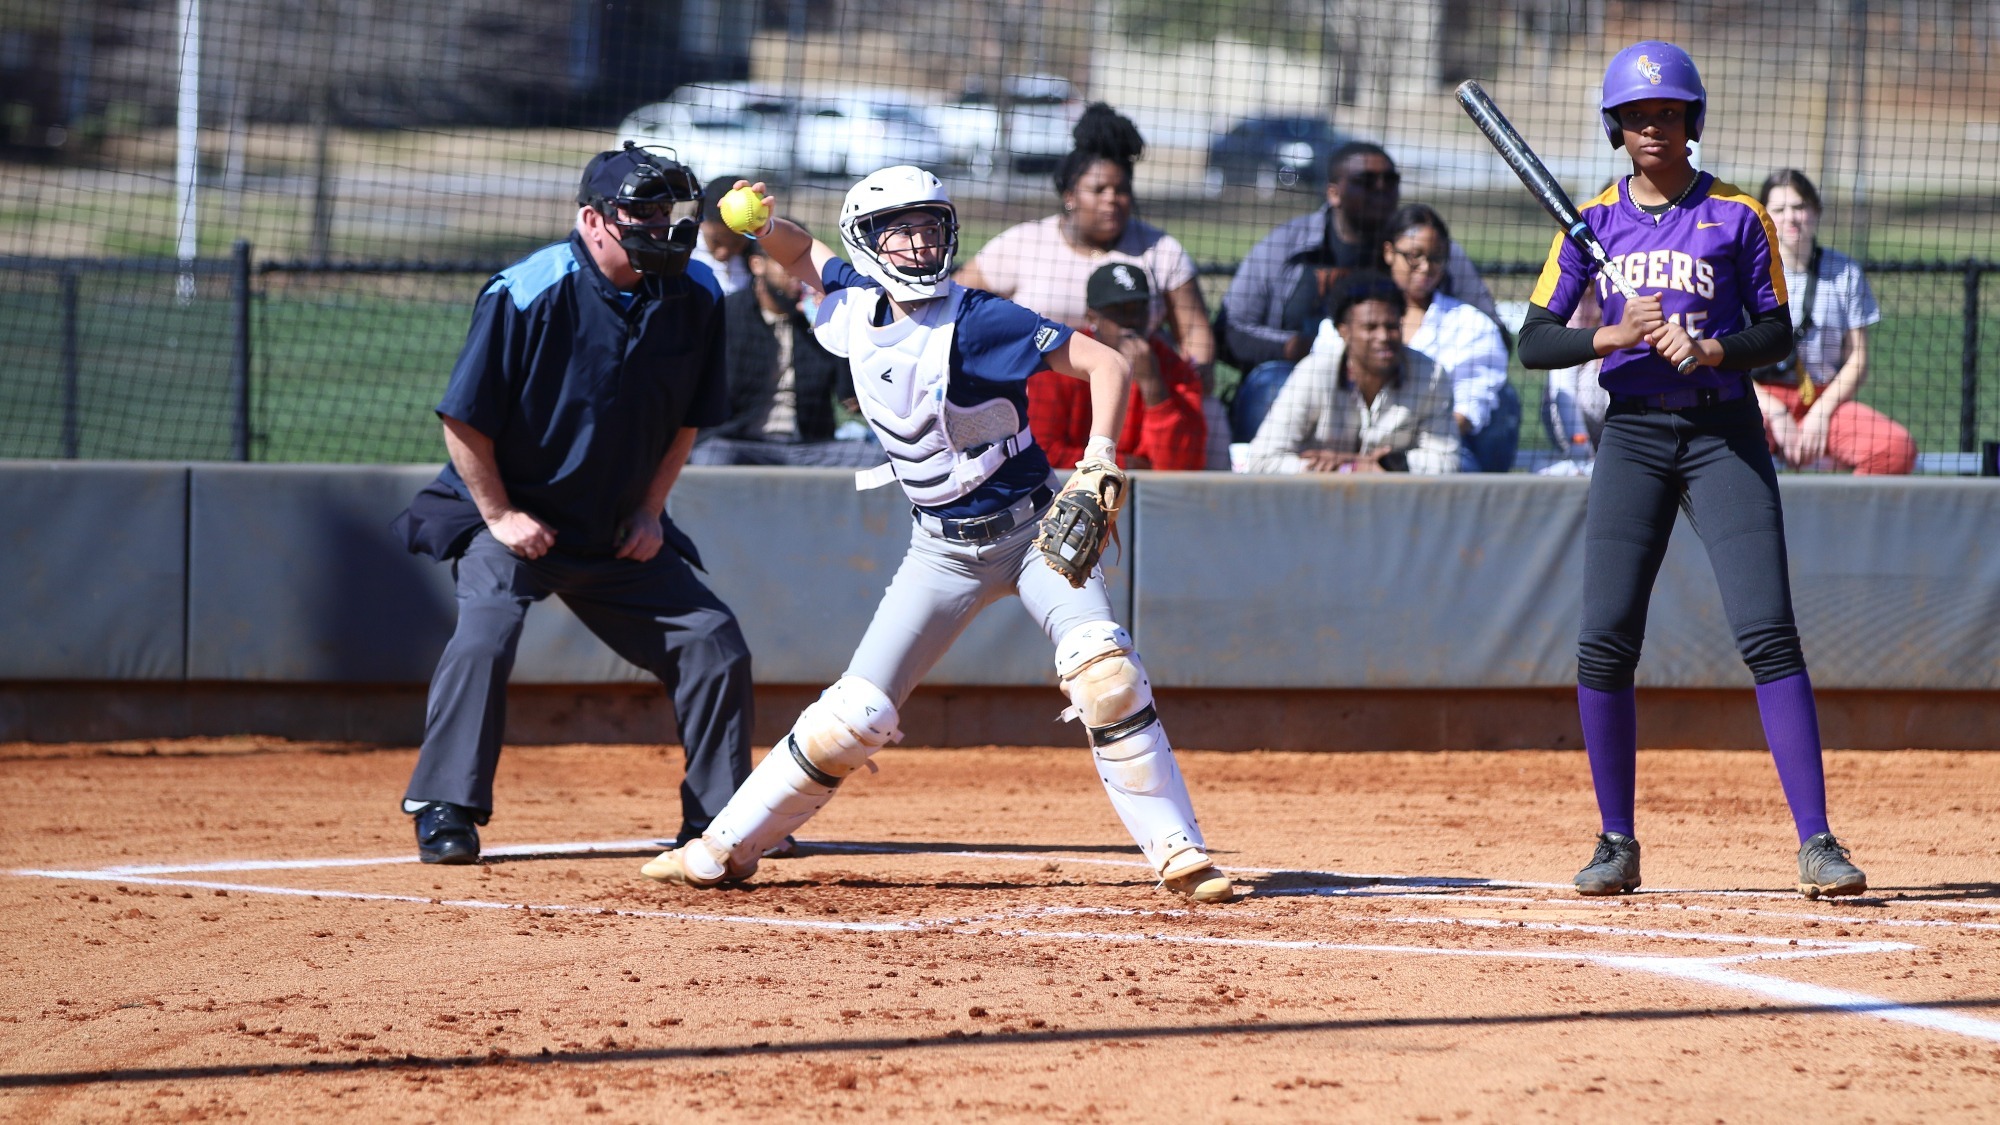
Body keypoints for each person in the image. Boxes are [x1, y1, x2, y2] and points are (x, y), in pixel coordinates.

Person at [640, 166, 1235, 903]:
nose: (920, 242)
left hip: (1034, 531)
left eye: (930, 225)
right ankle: (721, 848)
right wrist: (762, 224)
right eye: (901, 228)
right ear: (869, 243)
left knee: (1104, 673)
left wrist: (1100, 454)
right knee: (850, 718)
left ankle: (1179, 852)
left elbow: (1104, 362)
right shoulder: (855, 303)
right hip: (941, 550)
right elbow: (803, 256)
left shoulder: (982, 318)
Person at [1515, 42, 1867, 899]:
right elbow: (1533, 341)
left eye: (1668, 114)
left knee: (1767, 630)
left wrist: (1710, 345)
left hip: (1722, 433)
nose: (1653, 129)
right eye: (1637, 117)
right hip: (1632, 434)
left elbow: (1776, 332)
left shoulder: (1738, 216)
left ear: (1692, 123)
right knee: (1604, 640)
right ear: (1616, 128)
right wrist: (1611, 335)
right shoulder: (1590, 224)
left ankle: (1817, 841)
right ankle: (1615, 841)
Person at [390, 144, 754, 864]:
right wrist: (498, 517)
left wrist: (652, 510)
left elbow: (688, 419)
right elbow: (464, 420)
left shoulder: (699, 296)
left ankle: (722, 817)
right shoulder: (526, 290)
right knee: (487, 628)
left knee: (713, 641)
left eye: (667, 210)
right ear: (593, 220)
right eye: (640, 211)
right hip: (512, 512)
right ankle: (444, 805)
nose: (659, 224)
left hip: (615, 524)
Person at [956, 104, 1228, 469]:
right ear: (1070, 195)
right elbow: (959, 306)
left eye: (1121, 189)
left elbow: (1194, 330)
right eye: (1098, 189)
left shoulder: (1159, 250)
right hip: (1045, 388)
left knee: (1203, 418)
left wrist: (1194, 372)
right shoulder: (1024, 243)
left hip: (1131, 389)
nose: (1111, 199)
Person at [1223, 142, 1498, 443]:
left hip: (1410, 387)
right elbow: (1231, 330)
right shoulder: (1286, 245)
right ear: (1334, 192)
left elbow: (1488, 331)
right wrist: (1301, 348)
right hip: (1313, 376)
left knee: (1499, 402)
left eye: (1390, 181)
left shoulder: (1429, 249)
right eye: (1365, 182)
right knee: (1271, 382)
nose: (1381, 190)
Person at [1754, 169, 1916, 475]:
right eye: (1779, 209)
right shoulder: (1746, 271)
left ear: (1815, 211)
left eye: (1800, 207)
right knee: (1717, 440)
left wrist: (1821, 413)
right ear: (1764, 216)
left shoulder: (1845, 272)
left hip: (1823, 397)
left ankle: (1845, 521)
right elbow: (1725, 362)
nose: (1791, 218)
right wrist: (1774, 412)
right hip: (1758, 400)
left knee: (1896, 448)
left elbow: (1857, 358)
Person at [689, 237, 886, 468]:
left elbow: (850, 400)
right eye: (786, 265)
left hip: (808, 448)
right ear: (757, 265)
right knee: (710, 457)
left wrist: (836, 330)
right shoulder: (727, 315)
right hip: (740, 443)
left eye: (801, 267)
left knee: (874, 459)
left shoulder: (815, 319)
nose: (797, 275)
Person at [1244, 273, 1460, 474]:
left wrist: (1388, 463)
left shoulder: (1430, 375)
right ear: (1343, 331)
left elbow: (1447, 461)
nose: (1383, 336)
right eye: (1370, 327)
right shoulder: (1313, 373)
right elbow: (1261, 460)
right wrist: (1349, 470)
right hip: (1321, 500)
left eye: (1392, 326)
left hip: (1395, 501)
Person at [1366, 203, 1518, 472]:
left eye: (1436, 258)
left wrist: (1402, 452)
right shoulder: (1358, 316)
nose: (1425, 267)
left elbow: (1469, 410)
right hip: (1359, 449)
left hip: (1437, 450)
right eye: (1414, 256)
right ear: (1389, 252)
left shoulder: (1471, 324)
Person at [1028, 262, 1207, 471]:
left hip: (1151, 497)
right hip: (1068, 491)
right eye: (1118, 312)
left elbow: (1181, 466)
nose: (1131, 321)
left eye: (1138, 310)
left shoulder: (1173, 368)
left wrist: (1153, 386)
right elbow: (1042, 452)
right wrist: (1124, 465)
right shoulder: (1061, 361)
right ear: (1092, 317)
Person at [690, 174, 754, 296]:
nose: (723, 253)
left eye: (736, 243)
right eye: (716, 241)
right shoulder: (679, 245)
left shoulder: (756, 253)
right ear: (700, 221)